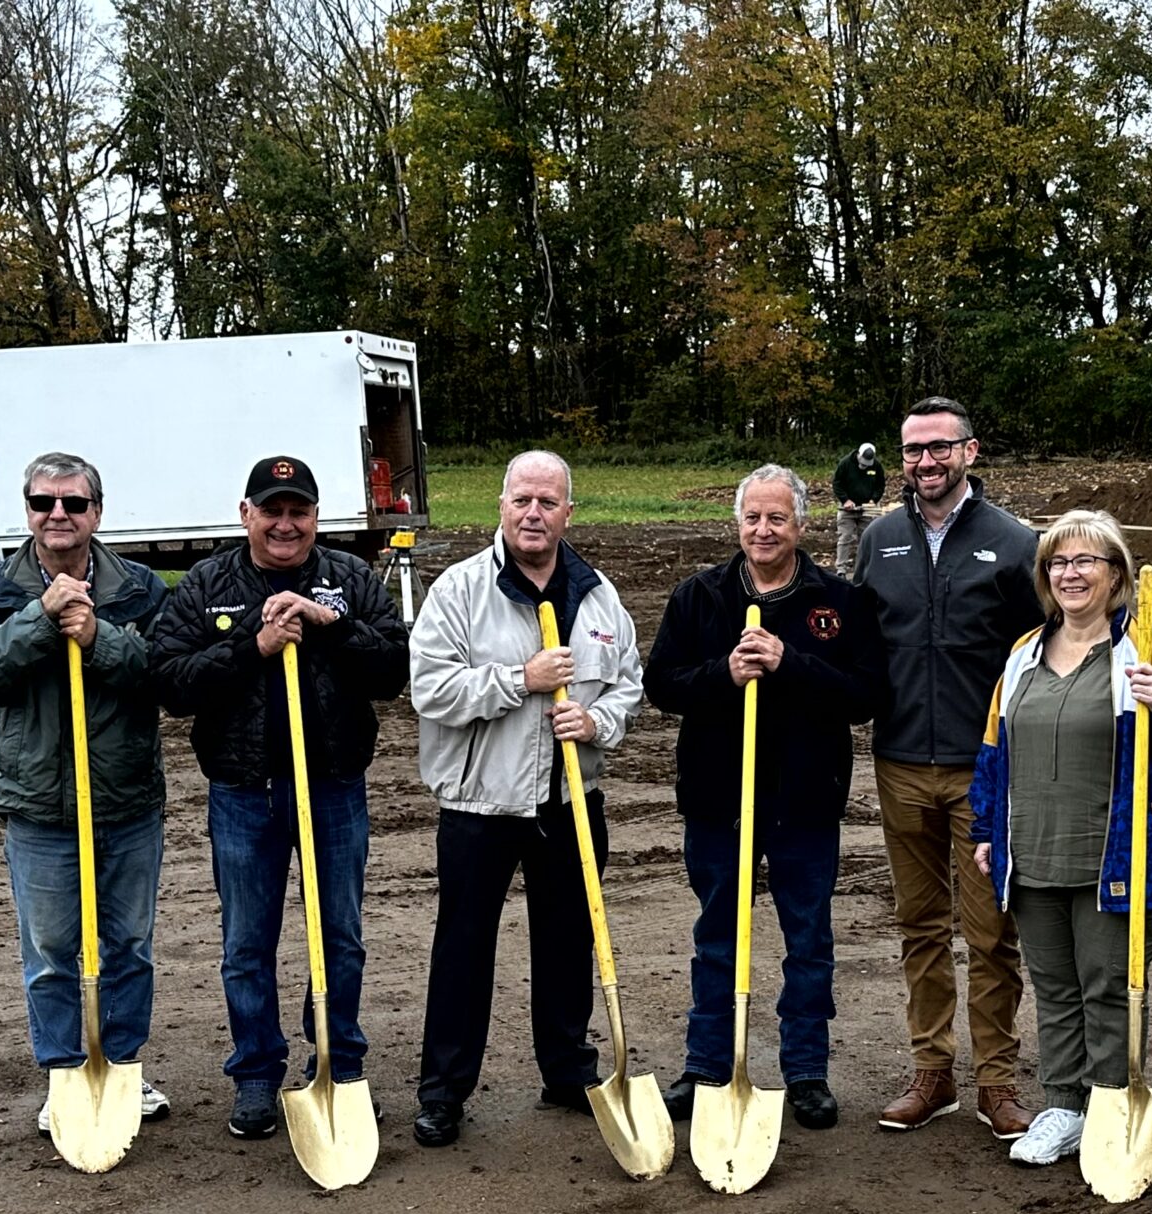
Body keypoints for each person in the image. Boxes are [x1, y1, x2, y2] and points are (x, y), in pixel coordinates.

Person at [148, 455, 410, 1140]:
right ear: (247, 514)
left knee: (341, 938)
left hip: (333, 787)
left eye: (299, 510)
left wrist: (332, 625)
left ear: (316, 518)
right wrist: (255, 646)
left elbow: (393, 671)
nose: (285, 523)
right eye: (272, 509)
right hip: (244, 793)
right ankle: (258, 1075)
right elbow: (169, 682)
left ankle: (339, 1064)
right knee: (246, 942)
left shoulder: (350, 578)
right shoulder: (209, 584)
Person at [407, 450, 645, 1148]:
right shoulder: (459, 591)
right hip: (481, 804)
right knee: (463, 947)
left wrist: (600, 721)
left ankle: (568, 1069)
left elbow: (628, 680)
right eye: (522, 500)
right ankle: (444, 1090)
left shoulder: (598, 595)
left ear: (569, 511)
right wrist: (520, 679)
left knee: (572, 939)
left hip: (570, 800)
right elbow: (431, 689)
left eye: (548, 501)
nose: (533, 513)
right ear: (501, 506)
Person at [644, 465, 886, 1130]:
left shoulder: (838, 602)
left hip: (805, 802)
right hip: (720, 800)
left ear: (801, 525)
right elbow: (661, 683)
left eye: (777, 517)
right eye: (752, 517)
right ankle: (707, 1066)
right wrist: (724, 672)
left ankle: (806, 1071)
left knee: (808, 940)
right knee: (717, 938)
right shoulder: (701, 597)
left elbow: (867, 696)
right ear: (738, 522)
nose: (763, 529)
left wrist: (791, 662)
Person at [0, 451, 172, 1136]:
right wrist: (39, 621)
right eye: (44, 503)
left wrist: (98, 636)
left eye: (73, 503)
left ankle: (124, 1066)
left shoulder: (139, 591)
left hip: (126, 800)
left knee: (128, 943)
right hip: (39, 806)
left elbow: (167, 673)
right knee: (50, 951)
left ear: (97, 512)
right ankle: (66, 1074)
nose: (58, 515)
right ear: (28, 511)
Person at [967, 511, 1152, 1166]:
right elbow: (994, 751)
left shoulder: (1145, 652)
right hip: (1035, 850)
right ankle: (1064, 1106)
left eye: (1085, 562)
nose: (1069, 574)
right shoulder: (1023, 655)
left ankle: (1112, 1104)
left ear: (1116, 574)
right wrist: (988, 830)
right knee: (1055, 986)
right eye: (1057, 564)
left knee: (1108, 983)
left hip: (1114, 854)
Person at [852, 396, 1046, 1138]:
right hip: (900, 761)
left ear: (971, 451)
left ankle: (997, 1079)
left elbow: (1044, 651)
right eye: (913, 450)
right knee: (920, 926)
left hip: (983, 769)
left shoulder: (1015, 541)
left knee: (992, 929)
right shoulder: (880, 540)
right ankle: (931, 1072)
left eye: (940, 447)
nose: (926, 462)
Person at [832, 442, 885, 574]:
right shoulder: (845, 464)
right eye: (862, 462)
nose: (864, 466)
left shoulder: (876, 466)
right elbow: (837, 483)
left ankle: (864, 568)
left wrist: (874, 500)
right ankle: (841, 569)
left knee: (867, 538)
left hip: (867, 509)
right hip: (847, 509)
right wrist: (845, 500)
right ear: (858, 455)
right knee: (845, 537)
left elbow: (880, 485)